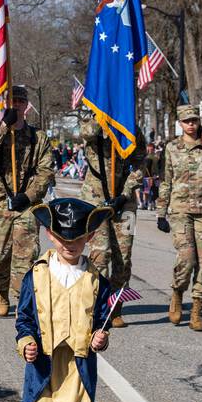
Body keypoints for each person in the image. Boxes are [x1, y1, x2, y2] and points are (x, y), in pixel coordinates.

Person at [15, 198, 114, 402]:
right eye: (62, 239)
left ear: (88, 238)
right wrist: (26, 342)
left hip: (78, 366)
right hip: (43, 366)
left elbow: (104, 318)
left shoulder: (97, 279)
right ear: (49, 235)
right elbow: (25, 318)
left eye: (76, 239)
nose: (69, 245)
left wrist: (102, 336)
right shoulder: (37, 275)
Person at [0, 84, 55, 317]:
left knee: (26, 254)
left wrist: (30, 195)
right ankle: (1, 290)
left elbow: (46, 172)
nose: (16, 105)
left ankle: (21, 299)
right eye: (12, 102)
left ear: (26, 105)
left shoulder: (38, 137)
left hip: (26, 202)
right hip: (0, 201)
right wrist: (4, 124)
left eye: (20, 102)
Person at [154, 105, 202, 330]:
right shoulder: (172, 148)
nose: (191, 124)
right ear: (180, 123)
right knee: (186, 258)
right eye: (186, 121)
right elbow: (166, 181)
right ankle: (177, 293)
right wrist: (161, 212)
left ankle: (197, 311)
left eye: (194, 120)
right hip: (180, 210)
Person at [79, 113, 145, 327]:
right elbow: (86, 133)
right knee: (100, 254)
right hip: (95, 197)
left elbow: (140, 162)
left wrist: (125, 193)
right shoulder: (92, 121)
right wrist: (103, 116)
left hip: (125, 202)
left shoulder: (131, 126)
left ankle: (115, 307)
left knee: (123, 258)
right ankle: (94, 305)